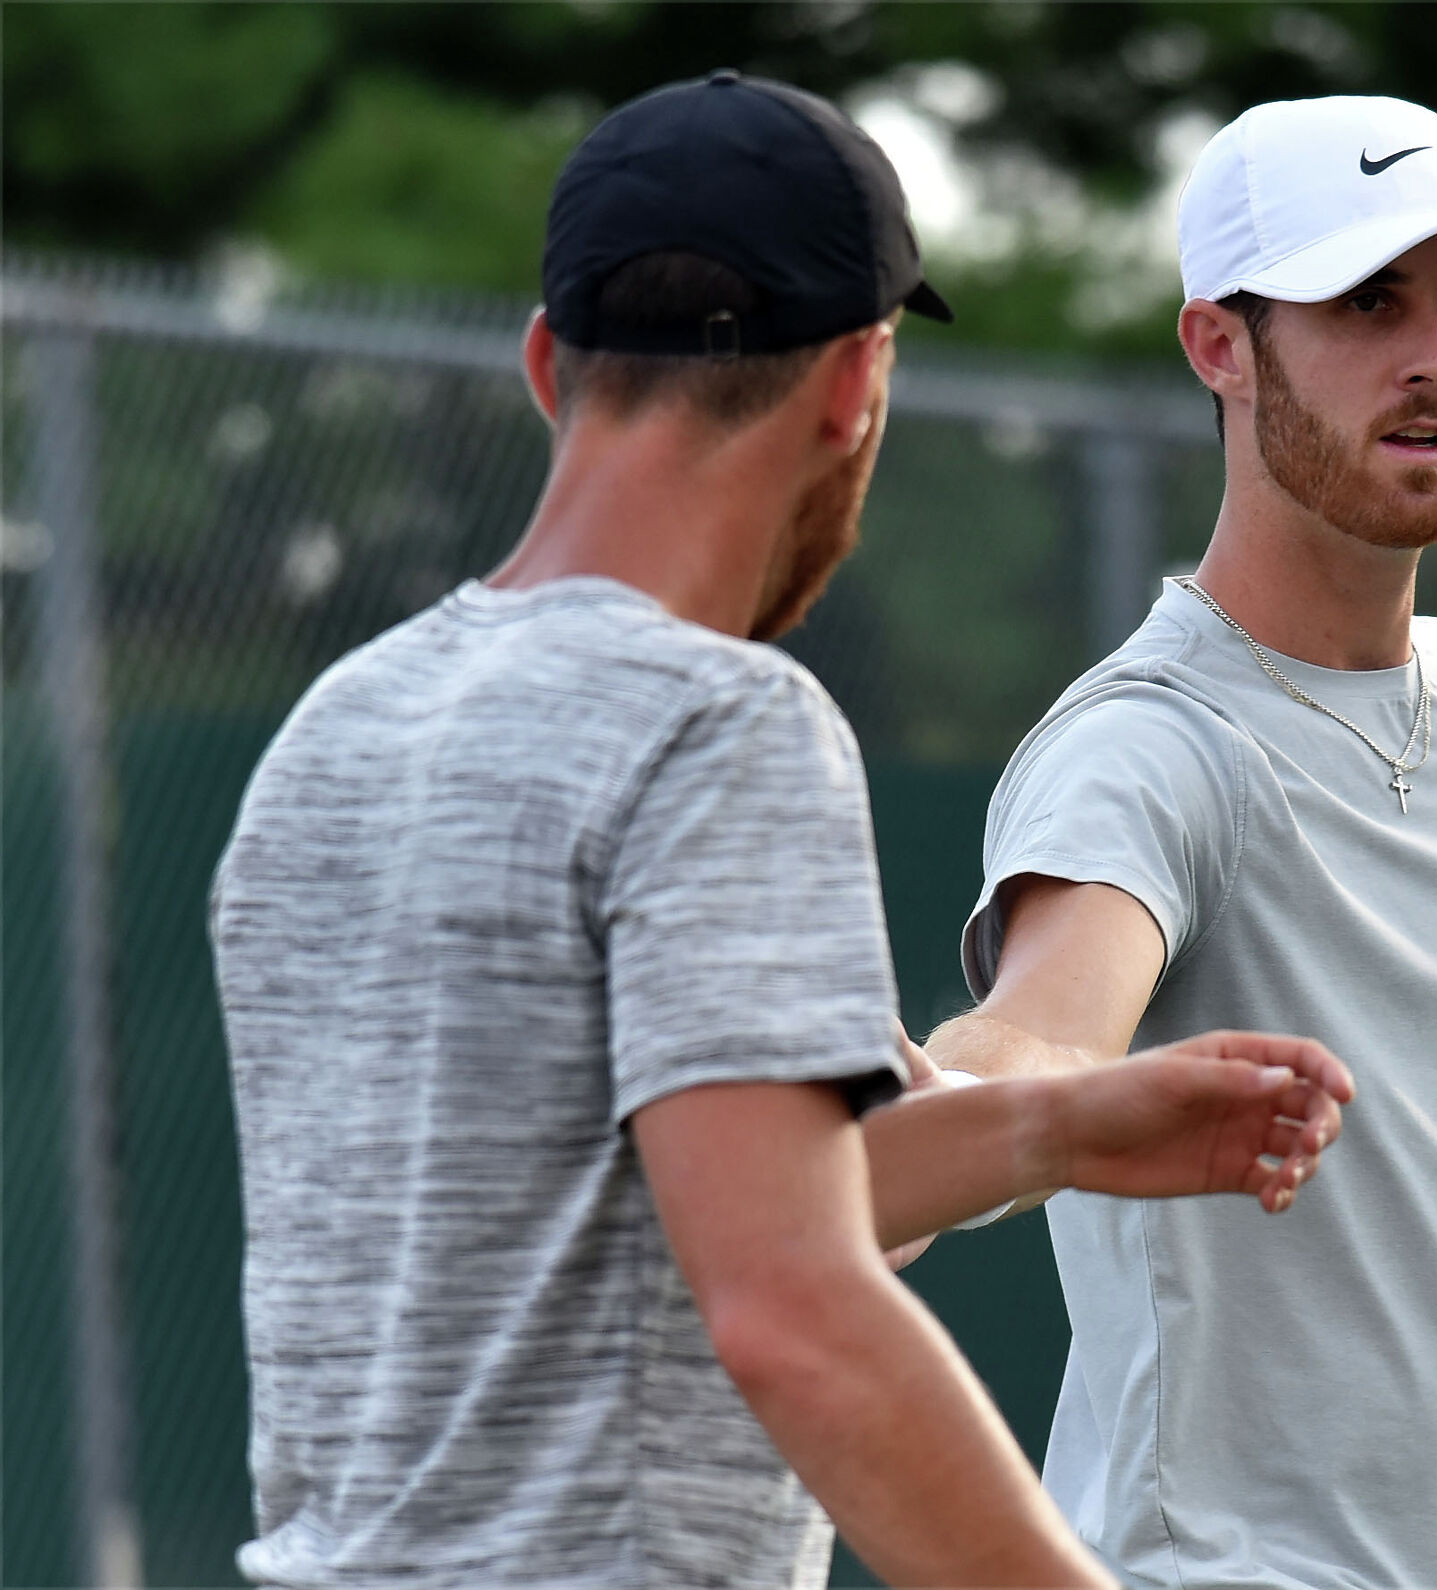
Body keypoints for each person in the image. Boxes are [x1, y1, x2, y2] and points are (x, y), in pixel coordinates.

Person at [208, 73, 1354, 1590]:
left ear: (550, 363)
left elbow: (691, 1203)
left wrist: (1058, 1124)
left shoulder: (336, 732)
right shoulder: (717, 723)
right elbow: (791, 1301)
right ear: (855, 387)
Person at [928, 95, 1437, 1589]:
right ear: (1219, 347)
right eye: (1367, 299)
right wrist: (903, 1131)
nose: (1433, 353)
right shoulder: (1148, 746)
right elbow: (1032, 1044)